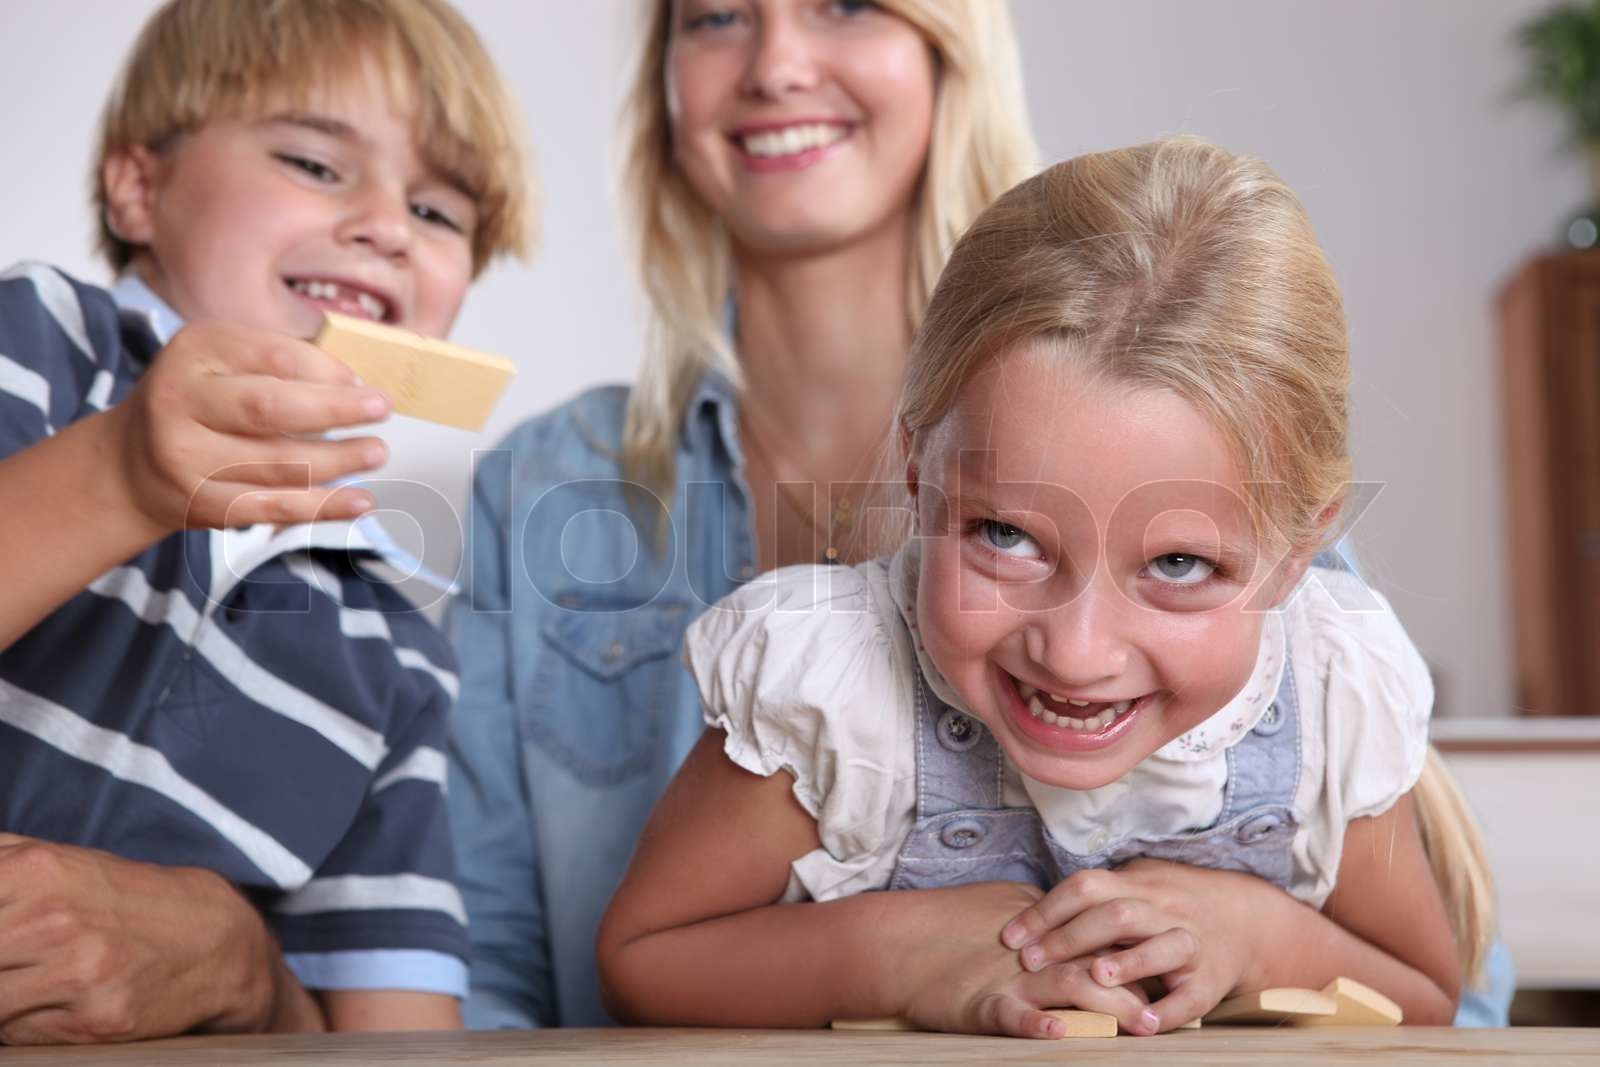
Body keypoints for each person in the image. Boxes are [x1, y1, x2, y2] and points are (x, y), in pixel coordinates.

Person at [594, 137, 1499, 1035]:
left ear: (1301, 546)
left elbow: (1426, 997)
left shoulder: (1331, 692)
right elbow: (644, 959)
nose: (1075, 651)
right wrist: (893, 952)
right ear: (916, 469)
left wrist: (1262, 934)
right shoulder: (837, 692)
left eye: (1178, 565)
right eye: (1006, 536)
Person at [446, 0, 1036, 1028]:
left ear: (950, 52)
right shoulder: (540, 483)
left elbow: (1332, 848)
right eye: (716, 17)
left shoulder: (1160, 416)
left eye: (843, 6)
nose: (775, 64)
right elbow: (479, 963)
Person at [0, 0, 532, 1044]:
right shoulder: (39, 343)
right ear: (139, 185)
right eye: (316, 164)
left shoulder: (398, 649)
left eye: (437, 212)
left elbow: (399, 1031)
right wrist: (120, 472)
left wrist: (248, 973)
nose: (386, 223)